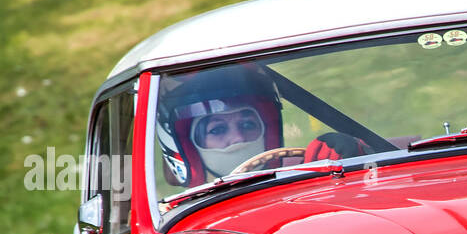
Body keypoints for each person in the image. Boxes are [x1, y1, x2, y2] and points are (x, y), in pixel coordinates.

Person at [157, 64, 370, 187]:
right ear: (187, 145)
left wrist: (357, 160)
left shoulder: (305, 174)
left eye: (248, 124)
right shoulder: (173, 228)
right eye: (218, 129)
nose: (239, 138)